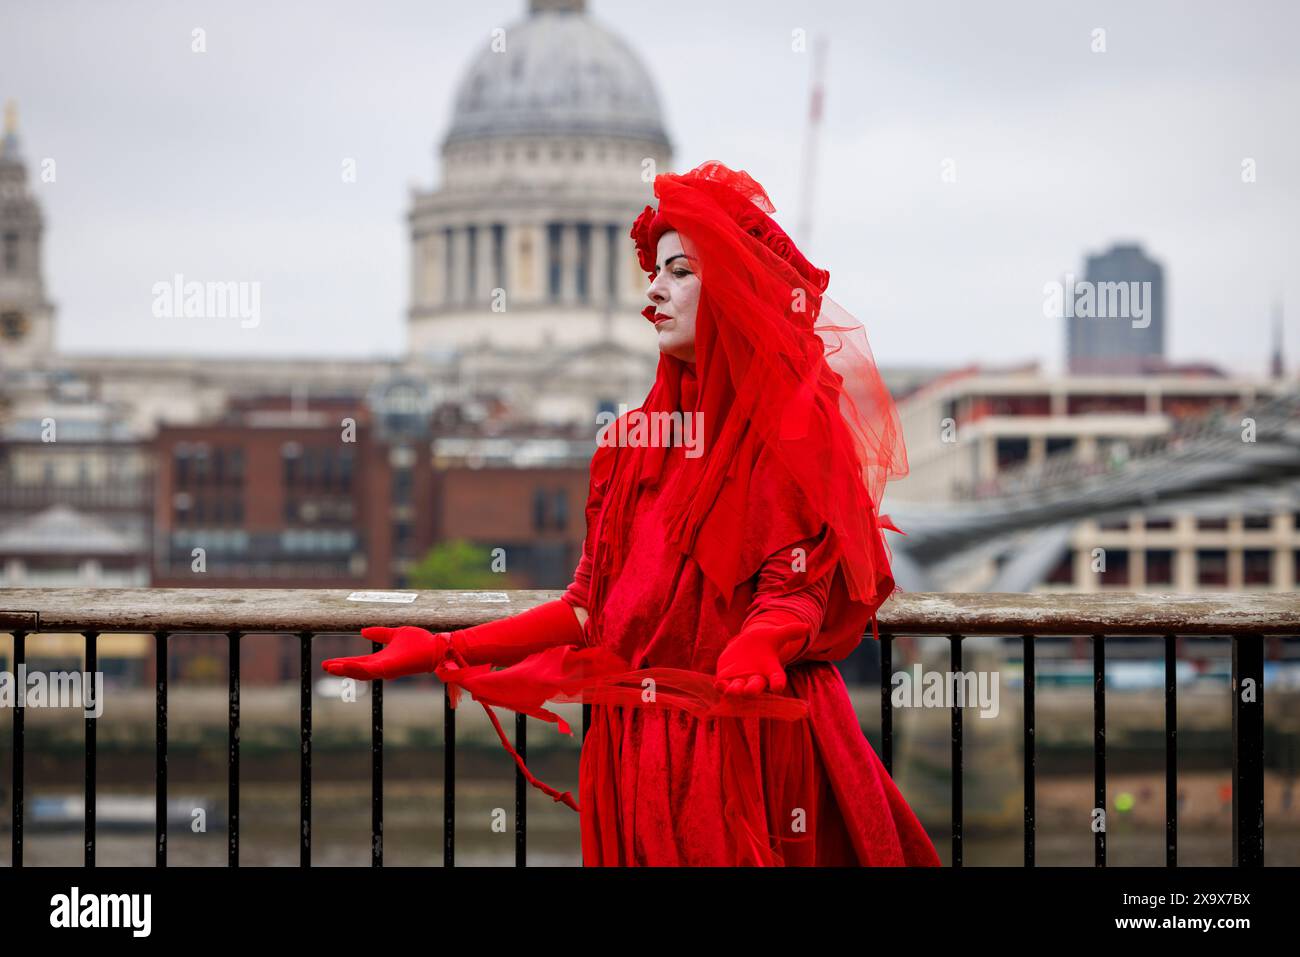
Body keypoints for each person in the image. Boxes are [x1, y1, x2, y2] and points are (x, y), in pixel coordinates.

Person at [324, 160, 941, 867]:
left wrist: (761, 642)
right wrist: (448, 649)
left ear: (739, 291)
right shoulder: (631, 448)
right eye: (654, 269)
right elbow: (588, 609)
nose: (652, 288)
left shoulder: (789, 437)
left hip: (740, 750)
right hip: (633, 751)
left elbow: (793, 593)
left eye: (681, 271)